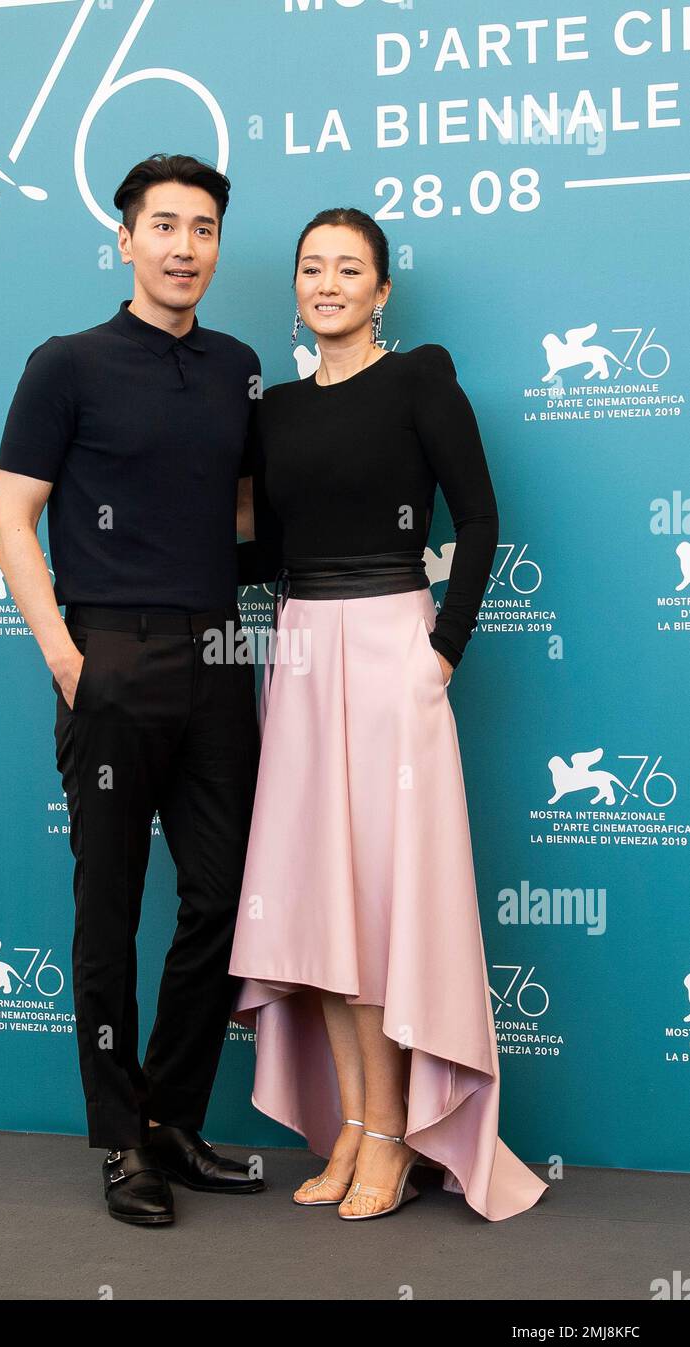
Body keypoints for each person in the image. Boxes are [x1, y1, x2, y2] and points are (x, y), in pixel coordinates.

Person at [232, 208, 549, 1223]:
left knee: (378, 903)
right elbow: (260, 553)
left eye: (349, 269)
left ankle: (395, 1137)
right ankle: (353, 1128)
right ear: (296, 287)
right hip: (301, 646)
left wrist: (441, 648)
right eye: (311, 268)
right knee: (315, 904)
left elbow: (484, 515)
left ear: (381, 292)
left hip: (390, 648)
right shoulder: (272, 411)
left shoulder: (419, 381)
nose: (327, 282)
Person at [0, 153, 266, 1227]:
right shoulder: (65, 363)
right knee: (107, 912)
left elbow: (243, 519)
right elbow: (15, 520)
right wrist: (67, 658)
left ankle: (169, 1119)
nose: (185, 247)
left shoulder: (239, 365)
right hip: (107, 653)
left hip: (215, 658)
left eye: (202, 229)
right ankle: (118, 1143)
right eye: (165, 226)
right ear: (126, 240)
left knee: (221, 894)